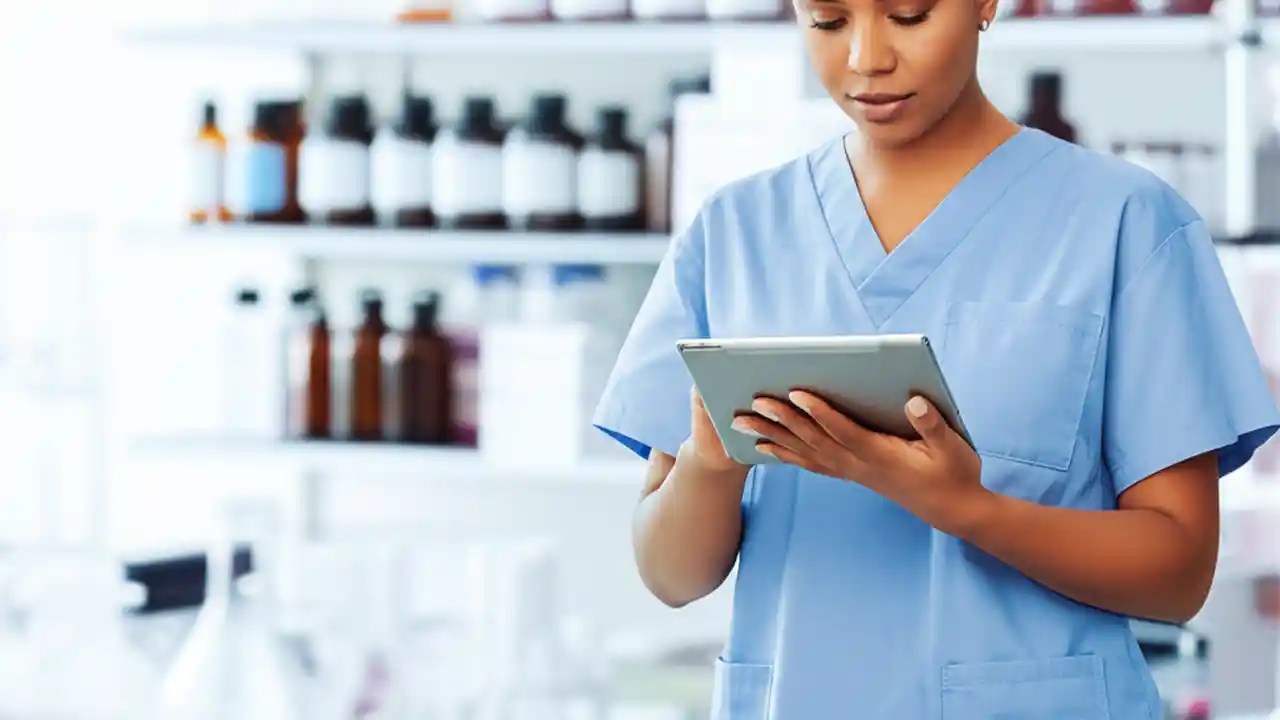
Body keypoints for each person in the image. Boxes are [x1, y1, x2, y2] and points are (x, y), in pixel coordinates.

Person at [592, 0, 1280, 718]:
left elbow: (1179, 573)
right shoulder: (733, 233)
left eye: (909, 15)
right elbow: (669, 575)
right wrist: (712, 465)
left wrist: (968, 510)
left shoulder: (1127, 223)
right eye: (828, 21)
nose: (866, 58)